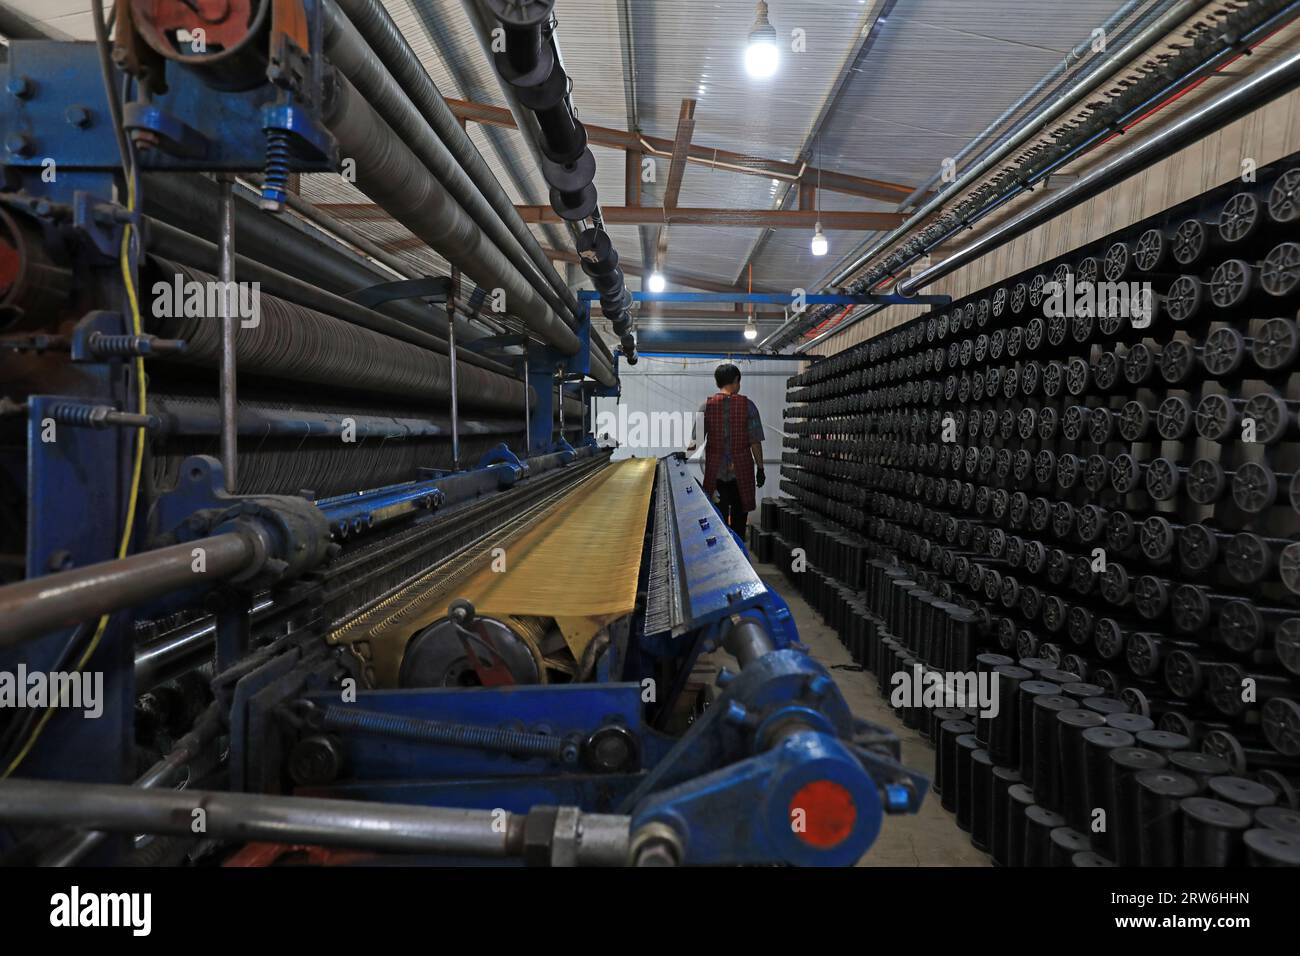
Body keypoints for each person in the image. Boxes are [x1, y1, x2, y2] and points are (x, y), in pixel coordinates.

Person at [685, 363, 765, 537]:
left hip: (716, 474)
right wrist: (761, 468)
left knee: (716, 520)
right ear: (736, 380)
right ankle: (739, 554)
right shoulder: (748, 406)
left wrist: (683, 457)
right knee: (739, 520)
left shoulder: (706, 407)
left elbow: (696, 441)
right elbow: (755, 442)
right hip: (741, 473)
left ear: (717, 382)